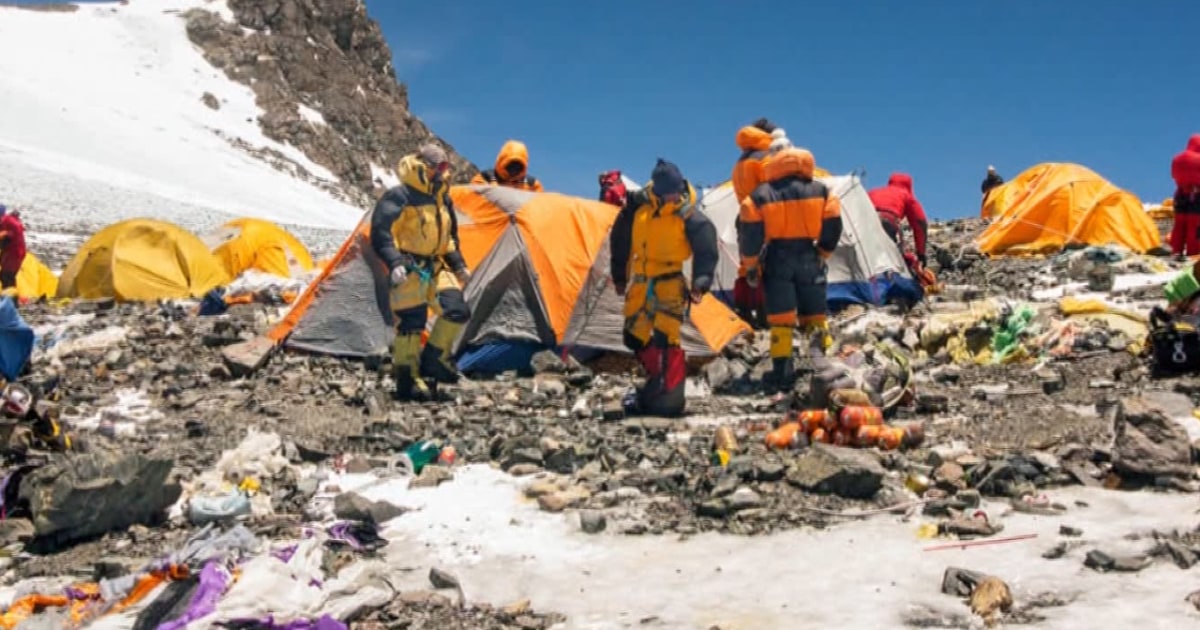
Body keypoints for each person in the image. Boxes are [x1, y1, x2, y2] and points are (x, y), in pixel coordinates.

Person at [610, 159, 717, 416]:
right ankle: (657, 379)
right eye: (669, 191)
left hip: (670, 281)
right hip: (641, 279)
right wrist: (619, 276)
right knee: (633, 336)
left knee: (667, 339)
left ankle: (671, 398)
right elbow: (621, 240)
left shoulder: (686, 213)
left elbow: (706, 244)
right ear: (657, 190)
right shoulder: (638, 208)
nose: (674, 196)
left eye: (677, 190)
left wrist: (702, 281)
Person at [370, 144, 472, 401]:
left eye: (445, 167)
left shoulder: (443, 198)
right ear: (423, 166)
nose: (443, 172)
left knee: (456, 309)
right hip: (409, 267)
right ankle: (407, 377)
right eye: (439, 166)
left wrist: (459, 265)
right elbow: (382, 233)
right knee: (411, 322)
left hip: (437, 265)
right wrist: (394, 262)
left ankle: (434, 359)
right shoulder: (400, 196)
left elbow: (449, 238)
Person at [739, 148, 842, 390]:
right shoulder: (822, 191)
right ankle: (822, 366)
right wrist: (824, 252)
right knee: (815, 314)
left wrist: (751, 265)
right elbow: (833, 222)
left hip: (778, 257)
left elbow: (750, 232)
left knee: (781, 318)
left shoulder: (762, 194)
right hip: (810, 255)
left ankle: (782, 370)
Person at [731, 118, 791, 328]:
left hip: (743, 214)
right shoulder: (765, 156)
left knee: (747, 264)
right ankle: (767, 315)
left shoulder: (742, 159)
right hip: (765, 215)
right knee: (769, 264)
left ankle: (742, 311)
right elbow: (772, 186)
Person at [868, 172, 928, 268]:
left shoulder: (872, 192)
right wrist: (921, 254)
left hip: (864, 221)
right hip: (887, 222)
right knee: (887, 259)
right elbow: (920, 224)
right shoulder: (907, 196)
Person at [470, 140, 544, 192]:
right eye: (511, 164)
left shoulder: (532, 184)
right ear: (502, 161)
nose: (514, 169)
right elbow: (474, 199)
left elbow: (540, 207)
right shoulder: (485, 178)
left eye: (518, 166)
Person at [1170, 134, 1200, 258]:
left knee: (1179, 226)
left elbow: (1174, 176)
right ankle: (1194, 254)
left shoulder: (1177, 159)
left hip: (1181, 194)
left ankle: (1175, 250)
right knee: (1195, 226)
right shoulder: (1198, 159)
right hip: (1197, 196)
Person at [0, 207, 27, 291]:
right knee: (7, 276)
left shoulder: (6, 222)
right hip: (18, 252)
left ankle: (10, 298)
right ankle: (9, 297)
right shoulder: (12, 222)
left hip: (13, 253)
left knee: (7, 276)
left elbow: (6, 238)